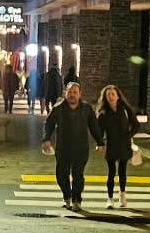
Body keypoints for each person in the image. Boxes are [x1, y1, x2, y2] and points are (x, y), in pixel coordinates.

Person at [42, 81, 100, 211]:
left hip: (81, 148)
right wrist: (46, 139)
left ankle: (76, 200)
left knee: (77, 174)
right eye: (70, 92)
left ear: (80, 94)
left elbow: (94, 126)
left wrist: (100, 142)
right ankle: (67, 196)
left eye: (75, 92)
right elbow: (48, 124)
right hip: (63, 148)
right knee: (61, 175)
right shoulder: (58, 108)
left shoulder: (86, 109)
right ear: (65, 93)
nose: (72, 95)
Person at [94, 84, 139, 209]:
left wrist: (128, 135)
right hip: (111, 145)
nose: (111, 96)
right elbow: (99, 131)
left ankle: (122, 194)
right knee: (111, 172)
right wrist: (100, 143)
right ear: (105, 97)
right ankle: (109, 198)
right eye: (108, 95)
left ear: (118, 96)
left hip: (124, 144)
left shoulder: (125, 109)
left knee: (122, 171)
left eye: (113, 94)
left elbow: (136, 124)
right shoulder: (103, 113)